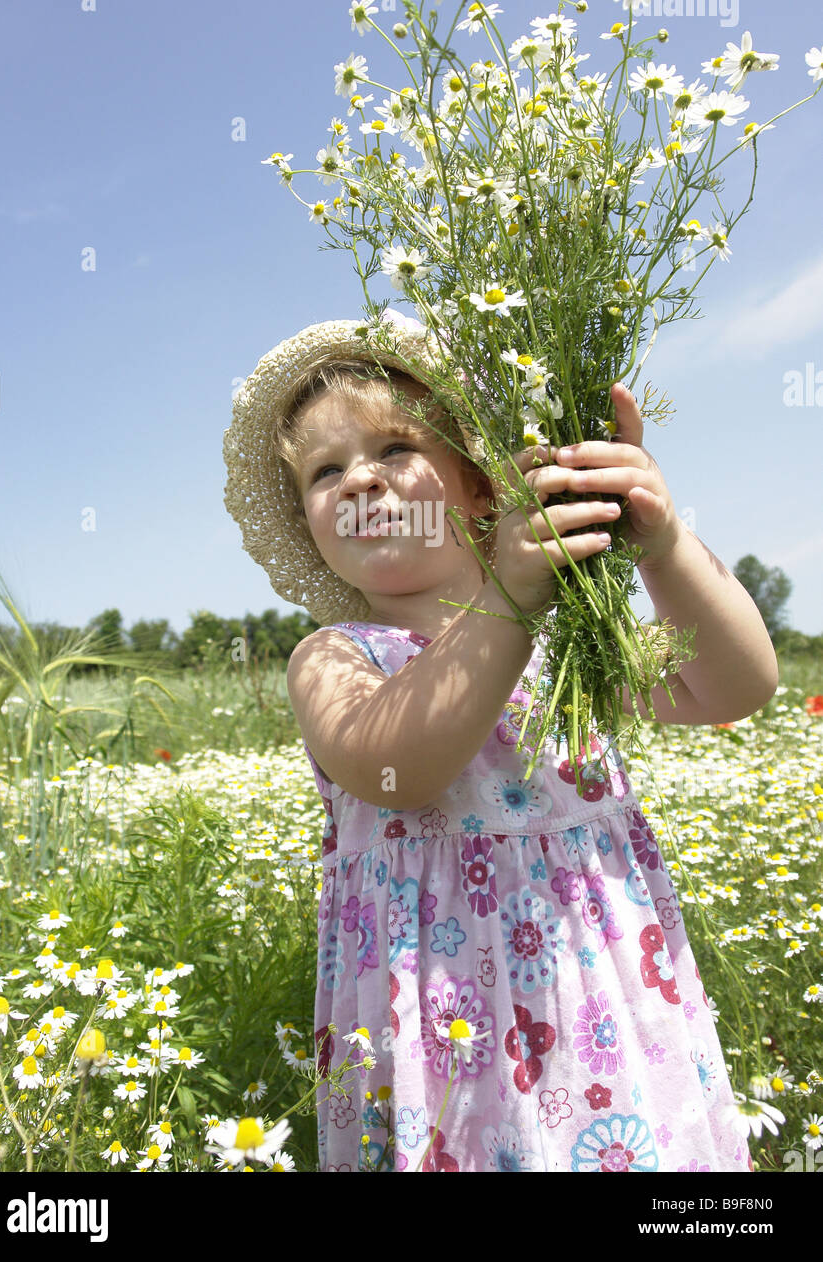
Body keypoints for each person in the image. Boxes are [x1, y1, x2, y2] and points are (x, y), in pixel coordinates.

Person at [222, 312, 778, 1173]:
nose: (360, 480)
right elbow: (398, 768)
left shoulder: (565, 645)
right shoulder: (335, 657)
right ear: (311, 527)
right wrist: (510, 603)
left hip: (603, 1004)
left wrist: (661, 546)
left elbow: (734, 685)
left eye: (395, 451)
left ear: (482, 486)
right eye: (326, 473)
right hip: (444, 1035)